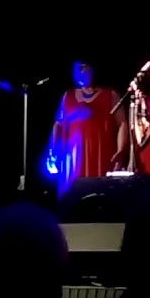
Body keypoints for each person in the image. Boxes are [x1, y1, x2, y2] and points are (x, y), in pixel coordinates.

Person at [51, 60, 127, 196]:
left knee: (100, 197)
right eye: (76, 69)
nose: (79, 73)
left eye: (83, 68)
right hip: (73, 161)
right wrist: (54, 150)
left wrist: (120, 151)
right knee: (74, 198)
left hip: (102, 156)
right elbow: (58, 124)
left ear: (92, 69)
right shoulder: (68, 96)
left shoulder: (110, 95)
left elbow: (122, 123)